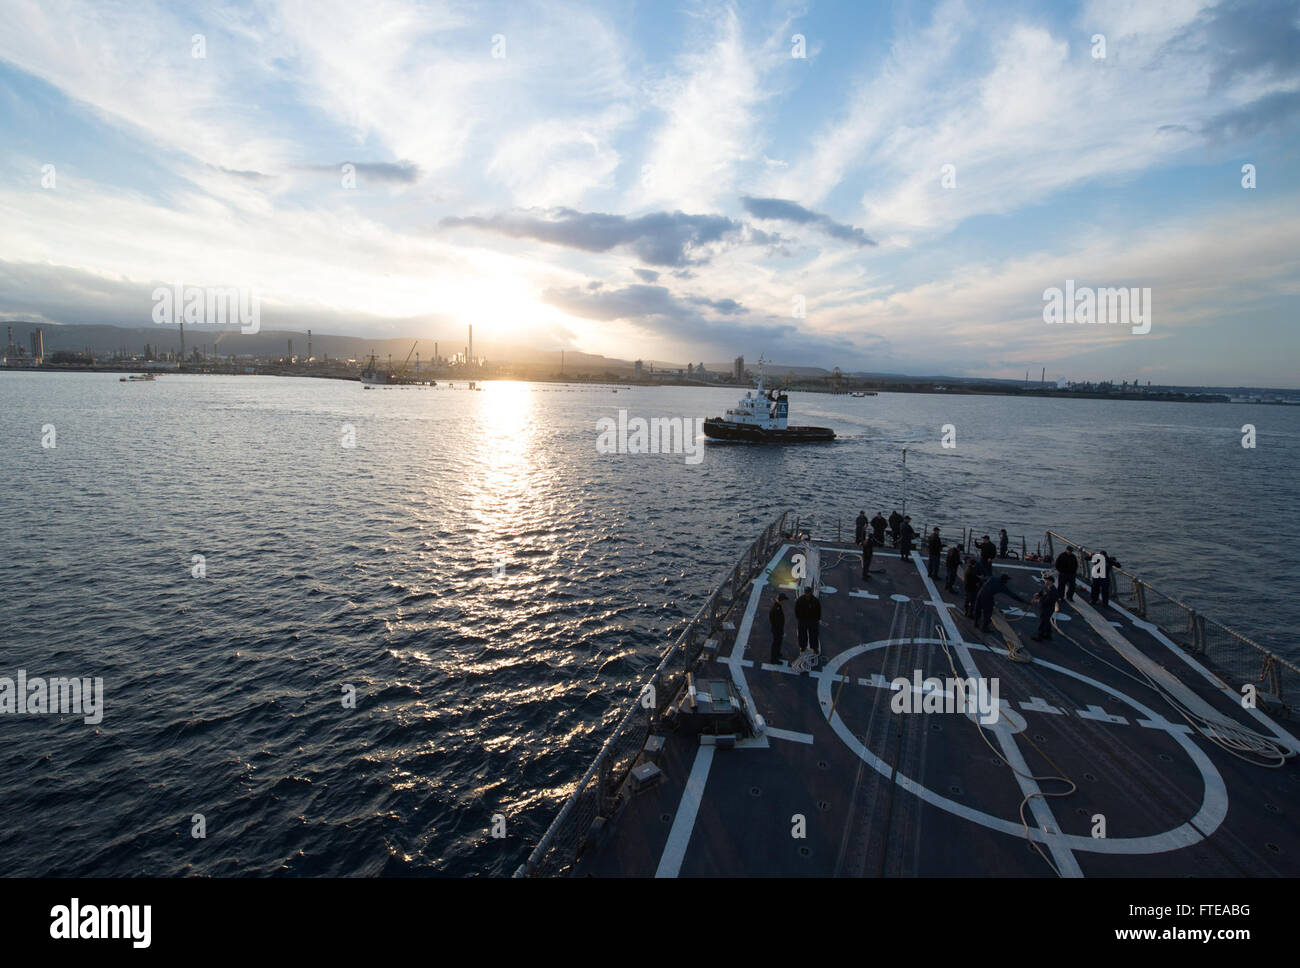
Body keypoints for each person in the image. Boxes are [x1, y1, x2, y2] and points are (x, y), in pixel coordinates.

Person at [1029, 575, 1061, 642]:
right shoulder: (1047, 587)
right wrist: (1038, 594)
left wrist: (1039, 601)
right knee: (1046, 621)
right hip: (1044, 607)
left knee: (1043, 622)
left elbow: (1049, 600)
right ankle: (1048, 635)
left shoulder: (1053, 591)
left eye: (1047, 580)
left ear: (1051, 581)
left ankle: (1039, 636)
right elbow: (1042, 592)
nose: (1045, 581)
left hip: (1048, 609)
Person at [794, 586, 821, 656]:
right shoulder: (800, 600)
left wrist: (816, 619)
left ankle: (814, 647)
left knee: (814, 635)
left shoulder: (815, 601)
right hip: (803, 620)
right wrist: (799, 618)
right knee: (802, 634)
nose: (807, 594)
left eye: (808, 592)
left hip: (812, 621)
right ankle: (803, 646)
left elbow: (818, 611)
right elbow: (796, 610)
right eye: (806, 592)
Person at [768, 593, 788, 664]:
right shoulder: (776, 608)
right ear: (781, 600)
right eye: (784, 600)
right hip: (777, 629)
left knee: (778, 643)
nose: (784, 602)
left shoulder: (777, 606)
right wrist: (778, 628)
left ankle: (777, 654)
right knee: (776, 644)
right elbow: (773, 619)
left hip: (778, 628)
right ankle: (774, 659)